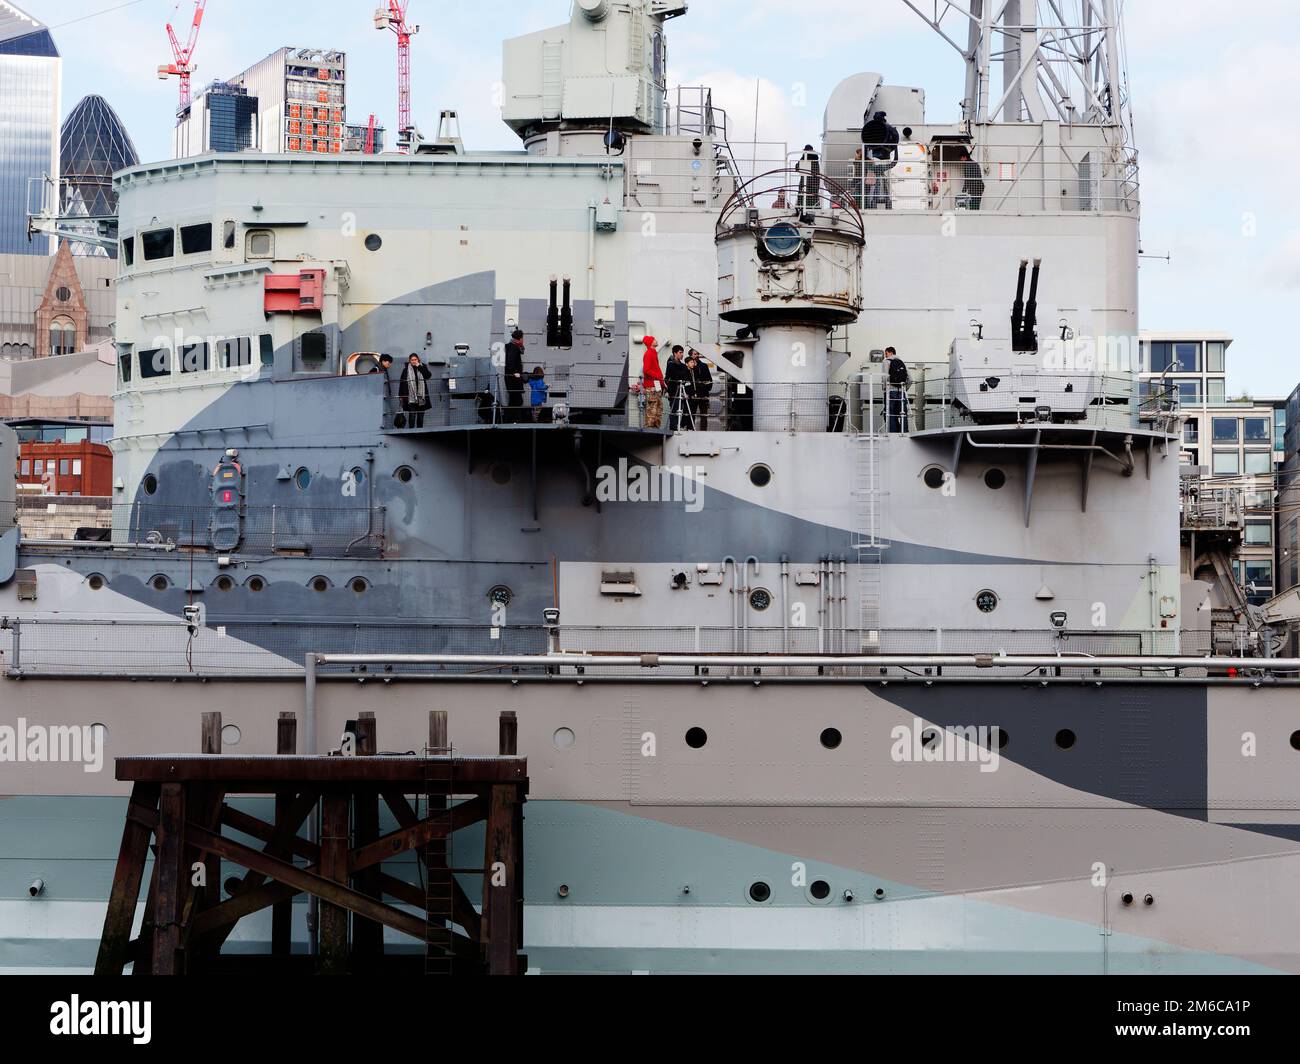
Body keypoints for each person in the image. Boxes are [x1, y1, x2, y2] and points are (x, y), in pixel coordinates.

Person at [861, 110, 899, 210]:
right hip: (883, 159)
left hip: (877, 159)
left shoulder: (872, 130)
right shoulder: (888, 130)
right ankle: (885, 203)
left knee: (878, 183)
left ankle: (874, 203)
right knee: (882, 183)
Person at [399, 353, 433, 429]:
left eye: (415, 359)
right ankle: (411, 432)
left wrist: (419, 366)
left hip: (421, 397)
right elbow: (402, 383)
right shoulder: (406, 370)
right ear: (409, 361)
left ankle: (419, 432)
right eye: (412, 360)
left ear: (418, 360)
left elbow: (428, 376)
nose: (414, 361)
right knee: (412, 418)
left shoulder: (422, 367)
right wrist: (401, 396)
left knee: (420, 418)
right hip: (411, 398)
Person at [884, 346, 912, 433]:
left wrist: (885, 390)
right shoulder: (902, 362)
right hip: (901, 391)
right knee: (903, 413)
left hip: (890, 391)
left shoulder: (886, 362)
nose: (885, 355)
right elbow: (910, 379)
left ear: (891, 353)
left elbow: (885, 377)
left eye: (886, 353)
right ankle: (904, 430)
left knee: (890, 413)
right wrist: (905, 389)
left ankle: (893, 432)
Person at [641, 335, 666, 429]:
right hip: (652, 385)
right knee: (652, 408)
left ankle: (655, 427)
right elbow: (646, 370)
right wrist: (658, 376)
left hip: (656, 384)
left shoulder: (653, 353)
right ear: (650, 342)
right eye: (654, 339)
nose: (656, 340)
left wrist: (662, 383)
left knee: (658, 408)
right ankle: (650, 427)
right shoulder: (648, 353)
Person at [665, 345, 692, 432]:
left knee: (681, 409)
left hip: (681, 389)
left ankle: (678, 426)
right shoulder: (670, 364)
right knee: (674, 408)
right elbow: (670, 376)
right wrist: (667, 390)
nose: (682, 354)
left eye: (682, 353)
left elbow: (685, 377)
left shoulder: (682, 365)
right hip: (673, 391)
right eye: (680, 353)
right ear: (675, 353)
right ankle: (673, 427)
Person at [503, 329, 526, 423]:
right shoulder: (514, 348)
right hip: (513, 380)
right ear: (519, 339)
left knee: (514, 400)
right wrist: (515, 372)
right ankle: (513, 420)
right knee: (517, 400)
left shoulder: (510, 346)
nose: (523, 340)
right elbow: (510, 361)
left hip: (511, 379)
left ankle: (511, 420)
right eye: (522, 338)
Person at [687, 351, 713, 430]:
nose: (697, 355)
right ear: (690, 355)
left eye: (697, 354)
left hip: (703, 393)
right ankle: (690, 429)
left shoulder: (704, 366)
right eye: (695, 354)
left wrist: (705, 388)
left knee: (704, 415)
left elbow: (709, 380)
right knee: (691, 413)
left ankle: (703, 431)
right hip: (693, 394)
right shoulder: (688, 367)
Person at [796, 144, 821, 212]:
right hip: (814, 182)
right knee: (813, 196)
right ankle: (814, 207)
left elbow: (797, 167)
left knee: (803, 195)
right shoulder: (816, 160)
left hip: (805, 182)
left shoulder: (804, 158)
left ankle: (801, 207)